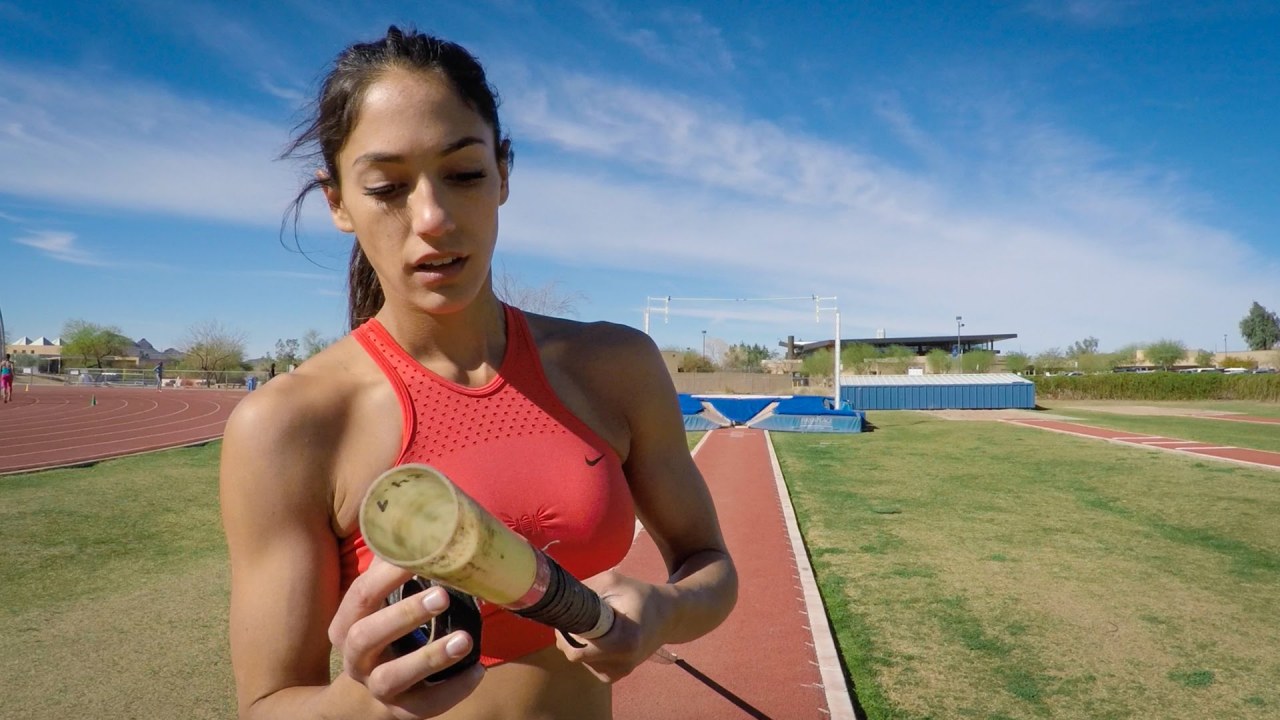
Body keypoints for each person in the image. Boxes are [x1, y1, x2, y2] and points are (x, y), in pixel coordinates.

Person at [219, 26, 737, 720]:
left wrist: (664, 612)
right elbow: (268, 705)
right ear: (338, 202)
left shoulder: (616, 366)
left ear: (503, 174)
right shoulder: (289, 424)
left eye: (464, 174)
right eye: (387, 187)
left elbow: (711, 565)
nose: (432, 217)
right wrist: (367, 702)